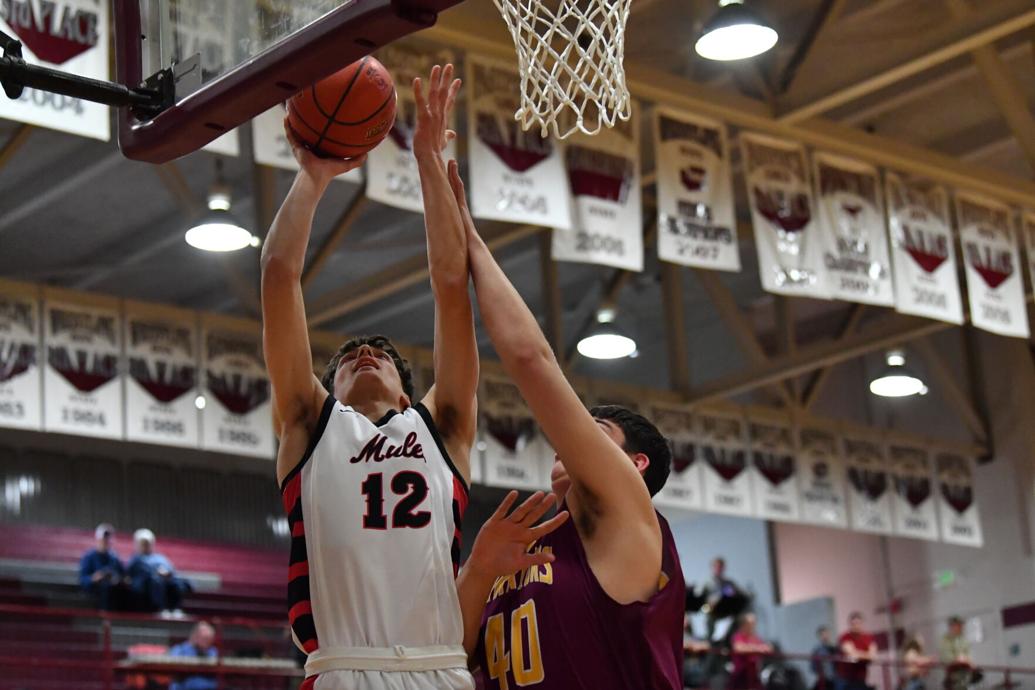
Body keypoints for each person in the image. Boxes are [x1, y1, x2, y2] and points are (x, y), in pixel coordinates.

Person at [262, 64, 564, 690]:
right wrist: (314, 176)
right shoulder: (307, 424)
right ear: (330, 388)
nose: (364, 354)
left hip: (440, 668)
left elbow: (451, 286)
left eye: (379, 353)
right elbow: (277, 273)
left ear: (408, 392)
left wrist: (428, 158)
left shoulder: (442, 428)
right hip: (342, 667)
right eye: (347, 359)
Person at [446, 159, 686, 688]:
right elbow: (450, 658)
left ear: (635, 464)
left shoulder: (627, 515)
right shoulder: (523, 546)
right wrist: (479, 570)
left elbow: (531, 360)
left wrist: (469, 235)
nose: (567, 442)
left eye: (596, 433)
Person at [127, 528, 191, 613]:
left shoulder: (160, 558)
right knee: (156, 580)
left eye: (148, 543)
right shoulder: (135, 559)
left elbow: (170, 571)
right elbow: (134, 572)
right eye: (143, 543)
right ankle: (160, 609)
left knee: (179, 583)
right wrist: (157, 572)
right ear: (137, 544)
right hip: (146, 587)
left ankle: (175, 609)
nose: (146, 545)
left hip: (164, 581)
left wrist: (167, 573)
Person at [79, 522, 126, 610]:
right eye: (103, 539)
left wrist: (117, 579)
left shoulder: (114, 557)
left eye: (108, 540)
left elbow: (122, 575)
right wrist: (94, 578)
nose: (106, 541)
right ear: (98, 540)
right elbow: (83, 580)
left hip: (113, 590)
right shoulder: (89, 556)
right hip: (96, 590)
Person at [168, 621, 218, 690]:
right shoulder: (179, 650)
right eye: (205, 639)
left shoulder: (212, 651)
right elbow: (171, 665)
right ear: (195, 636)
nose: (207, 643)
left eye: (209, 640)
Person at [730, 613, 773, 690]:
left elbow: (768, 648)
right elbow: (738, 648)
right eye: (751, 623)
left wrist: (762, 648)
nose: (753, 626)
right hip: (741, 674)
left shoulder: (754, 637)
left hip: (754, 673)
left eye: (754, 623)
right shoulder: (738, 636)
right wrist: (757, 648)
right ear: (744, 624)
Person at [837, 612, 877, 690]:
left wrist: (858, 654)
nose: (856, 626)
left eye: (858, 623)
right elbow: (852, 655)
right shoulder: (844, 637)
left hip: (861, 677)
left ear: (862, 623)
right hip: (845, 678)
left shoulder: (868, 637)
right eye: (853, 624)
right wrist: (866, 655)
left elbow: (873, 656)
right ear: (850, 625)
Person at [939, 617, 973, 690]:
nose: (961, 627)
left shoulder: (962, 639)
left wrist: (967, 660)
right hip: (954, 674)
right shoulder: (946, 639)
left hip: (964, 673)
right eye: (959, 625)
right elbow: (946, 658)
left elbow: (967, 653)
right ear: (952, 626)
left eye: (961, 625)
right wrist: (958, 659)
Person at [811, 626, 839, 690]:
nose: (825, 636)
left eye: (826, 634)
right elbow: (813, 667)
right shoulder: (816, 650)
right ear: (819, 637)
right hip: (823, 679)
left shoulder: (834, 648)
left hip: (835, 679)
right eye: (822, 635)